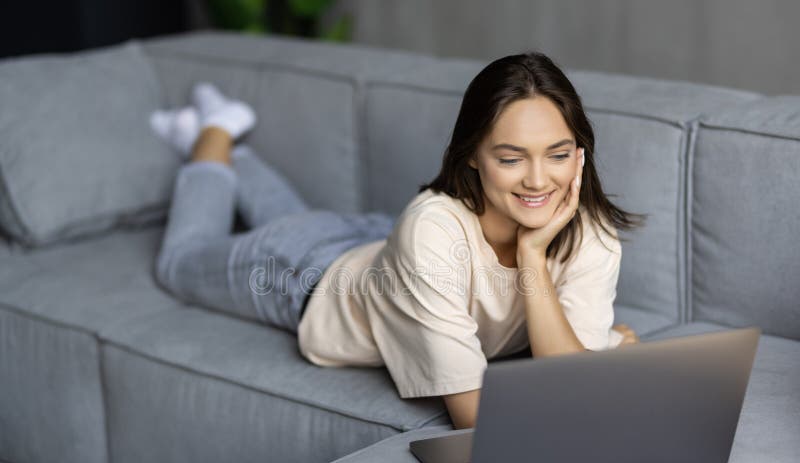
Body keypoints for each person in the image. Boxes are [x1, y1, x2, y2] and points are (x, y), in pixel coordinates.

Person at [151, 51, 645, 431]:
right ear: (472, 155)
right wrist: (596, 346)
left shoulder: (590, 231)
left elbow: (572, 387)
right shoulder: (430, 231)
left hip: (384, 246)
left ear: (579, 155)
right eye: (511, 158)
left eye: (556, 155)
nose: (539, 181)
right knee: (180, 263)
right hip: (306, 271)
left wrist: (533, 257)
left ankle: (228, 149)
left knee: (298, 218)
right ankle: (215, 131)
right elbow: (475, 414)